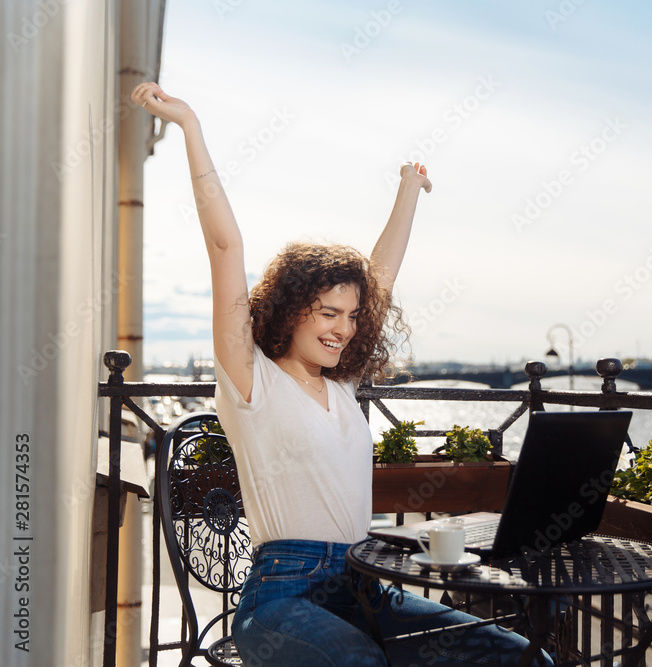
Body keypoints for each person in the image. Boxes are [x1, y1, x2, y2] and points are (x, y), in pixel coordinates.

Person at [132, 82, 545, 666]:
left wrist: (408, 189)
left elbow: (382, 276)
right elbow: (226, 247)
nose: (344, 329)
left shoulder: (341, 386)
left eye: (352, 316)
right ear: (290, 307)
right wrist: (191, 130)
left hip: (365, 582)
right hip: (281, 597)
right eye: (328, 313)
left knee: (517, 655)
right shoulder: (251, 380)